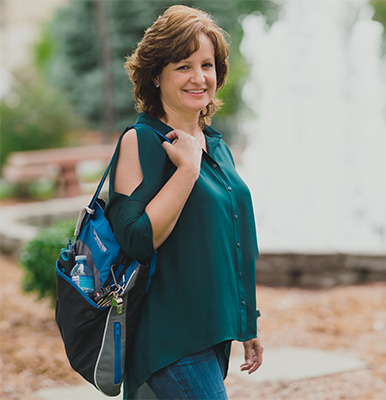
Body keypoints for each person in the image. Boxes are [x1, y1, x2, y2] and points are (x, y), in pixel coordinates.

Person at [106, 5, 263, 399]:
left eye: (207, 65)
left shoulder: (218, 146)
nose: (199, 78)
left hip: (212, 332)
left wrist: (249, 325)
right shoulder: (140, 141)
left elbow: (237, 241)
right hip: (168, 339)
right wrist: (186, 172)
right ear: (156, 74)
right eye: (183, 66)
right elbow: (137, 239)